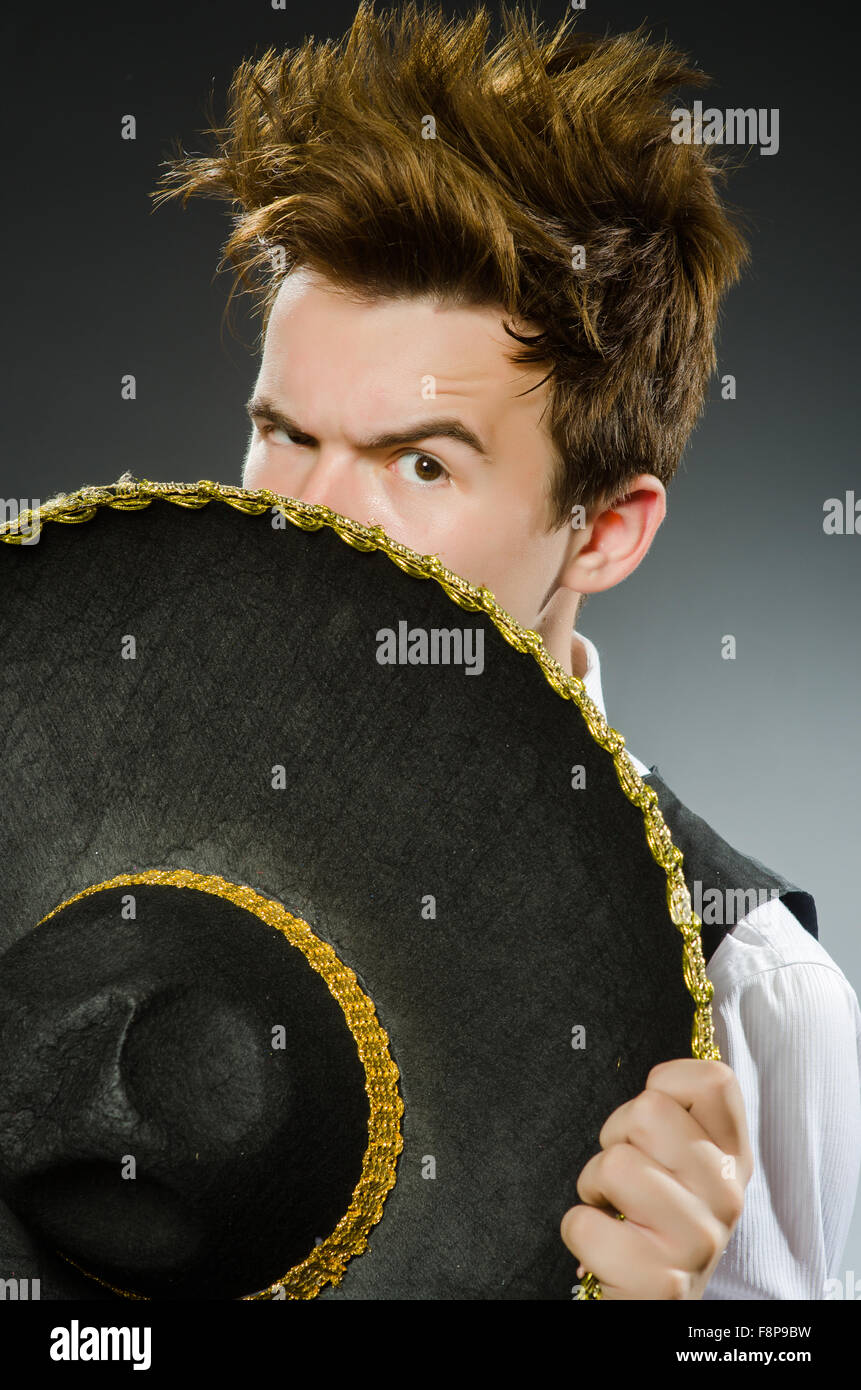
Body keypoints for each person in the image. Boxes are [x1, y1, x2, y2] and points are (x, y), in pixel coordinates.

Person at [151, 0, 861, 1298]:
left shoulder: (754, 995)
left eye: (418, 461)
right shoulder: (57, 814)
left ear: (602, 532)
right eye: (285, 433)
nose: (306, 520)